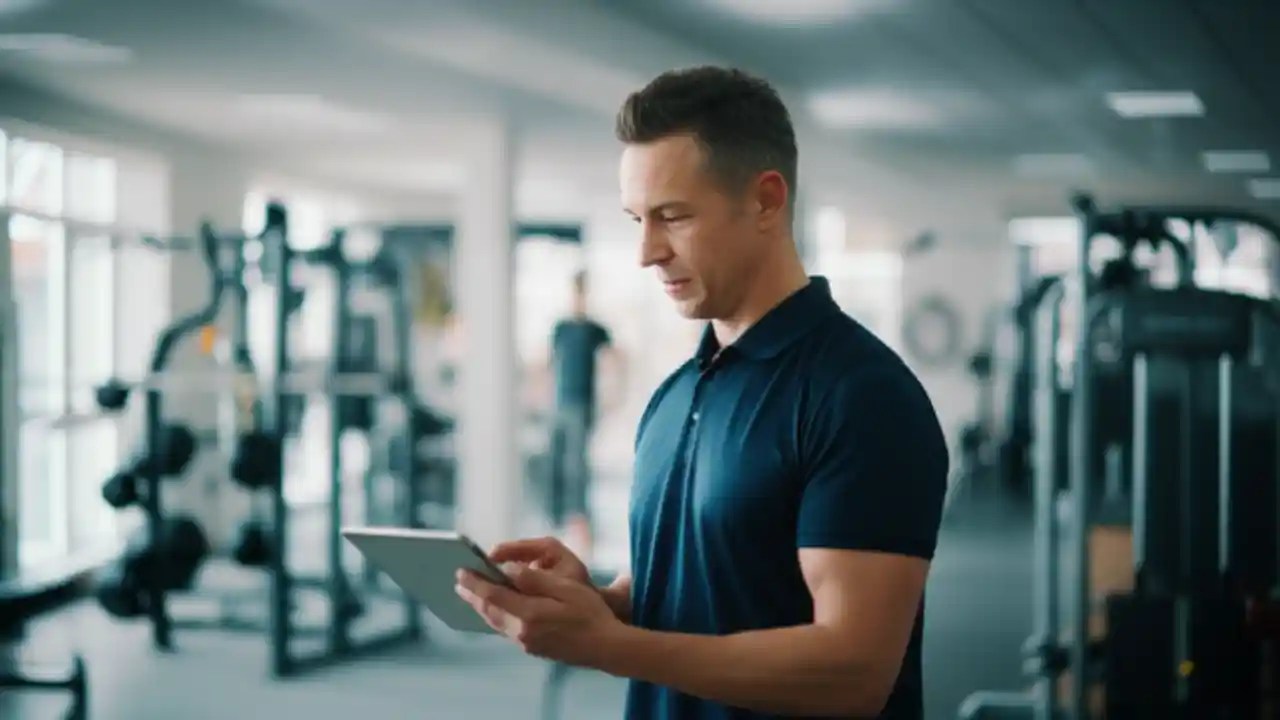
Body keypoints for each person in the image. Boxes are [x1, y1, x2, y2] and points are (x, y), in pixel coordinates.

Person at [457, 66, 949, 720]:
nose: (645, 252)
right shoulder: (675, 394)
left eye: (673, 217)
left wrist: (614, 648)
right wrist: (598, 605)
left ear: (767, 201)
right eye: (636, 218)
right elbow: (698, 593)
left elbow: (852, 673)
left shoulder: (862, 397)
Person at [547, 270, 622, 561]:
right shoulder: (561, 327)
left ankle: (579, 522)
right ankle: (558, 520)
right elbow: (550, 362)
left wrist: (614, 395)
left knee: (575, 465)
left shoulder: (594, 329)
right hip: (559, 403)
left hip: (582, 403)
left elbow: (616, 358)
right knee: (555, 461)